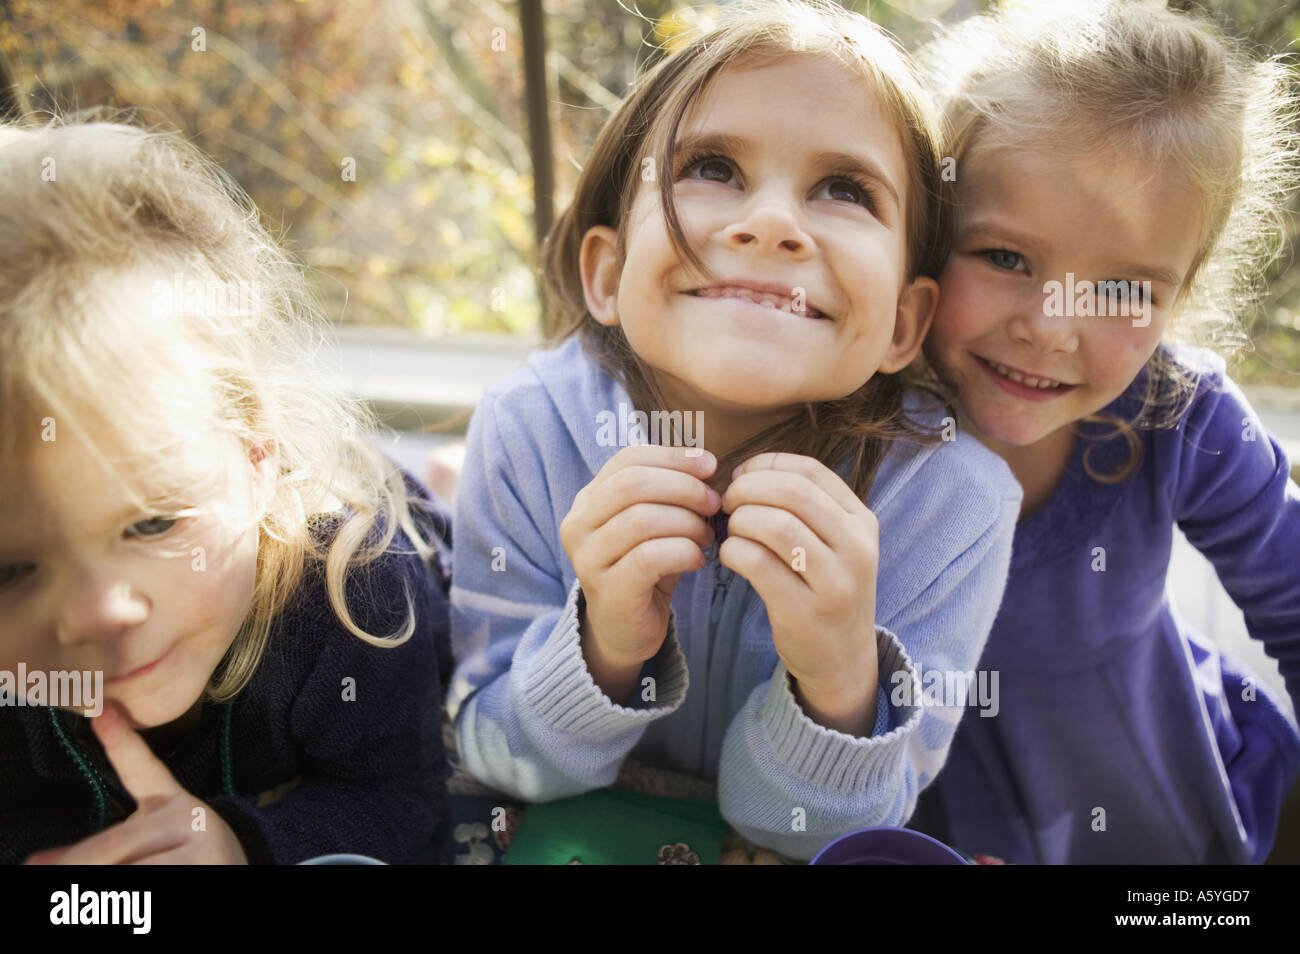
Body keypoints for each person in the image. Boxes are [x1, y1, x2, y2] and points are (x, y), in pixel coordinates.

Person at [449, 0, 1022, 861]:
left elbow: (833, 834)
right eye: (712, 166)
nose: (773, 223)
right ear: (606, 272)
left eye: (844, 189)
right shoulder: (526, 433)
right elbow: (490, 758)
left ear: (906, 323)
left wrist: (837, 682)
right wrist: (603, 647)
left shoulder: (956, 508)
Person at [0, 114, 453, 864]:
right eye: (10, 567)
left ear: (254, 459)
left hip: (382, 529)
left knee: (440, 549)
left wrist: (244, 847)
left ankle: (445, 483)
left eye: (151, 524)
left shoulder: (357, 590)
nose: (99, 613)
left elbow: (397, 795)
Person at [909, 0, 1300, 863]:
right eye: (1006, 258)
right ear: (928, 231)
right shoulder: (858, 407)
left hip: (1151, 830)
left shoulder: (1179, 412)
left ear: (1180, 297)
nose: (1051, 329)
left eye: (1122, 290)